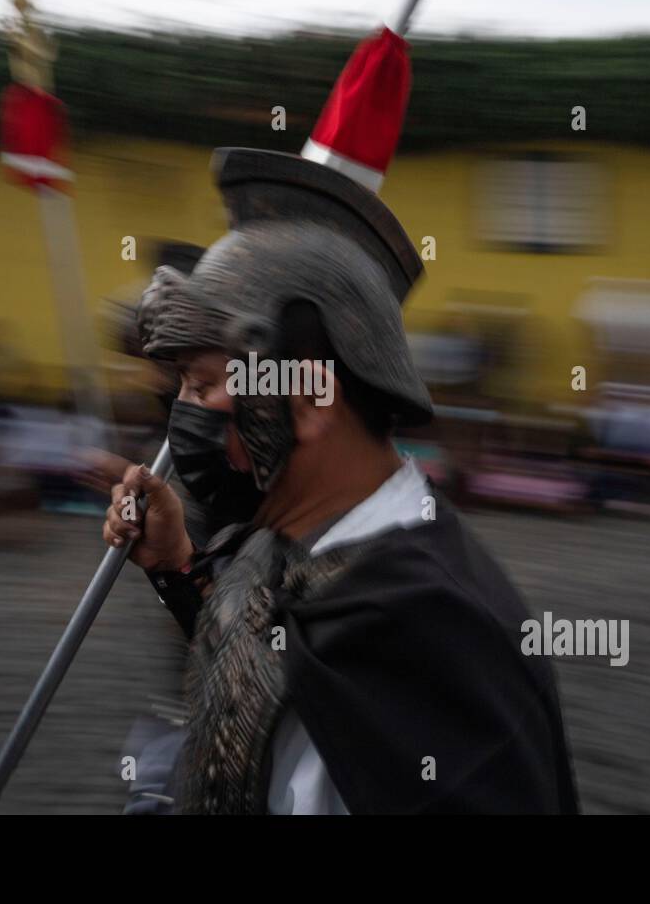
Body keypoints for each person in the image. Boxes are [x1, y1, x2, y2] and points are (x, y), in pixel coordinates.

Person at [99, 147, 579, 815]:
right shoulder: (284, 539)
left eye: (203, 384)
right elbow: (264, 659)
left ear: (308, 401)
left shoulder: (438, 634)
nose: (180, 414)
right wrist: (177, 566)